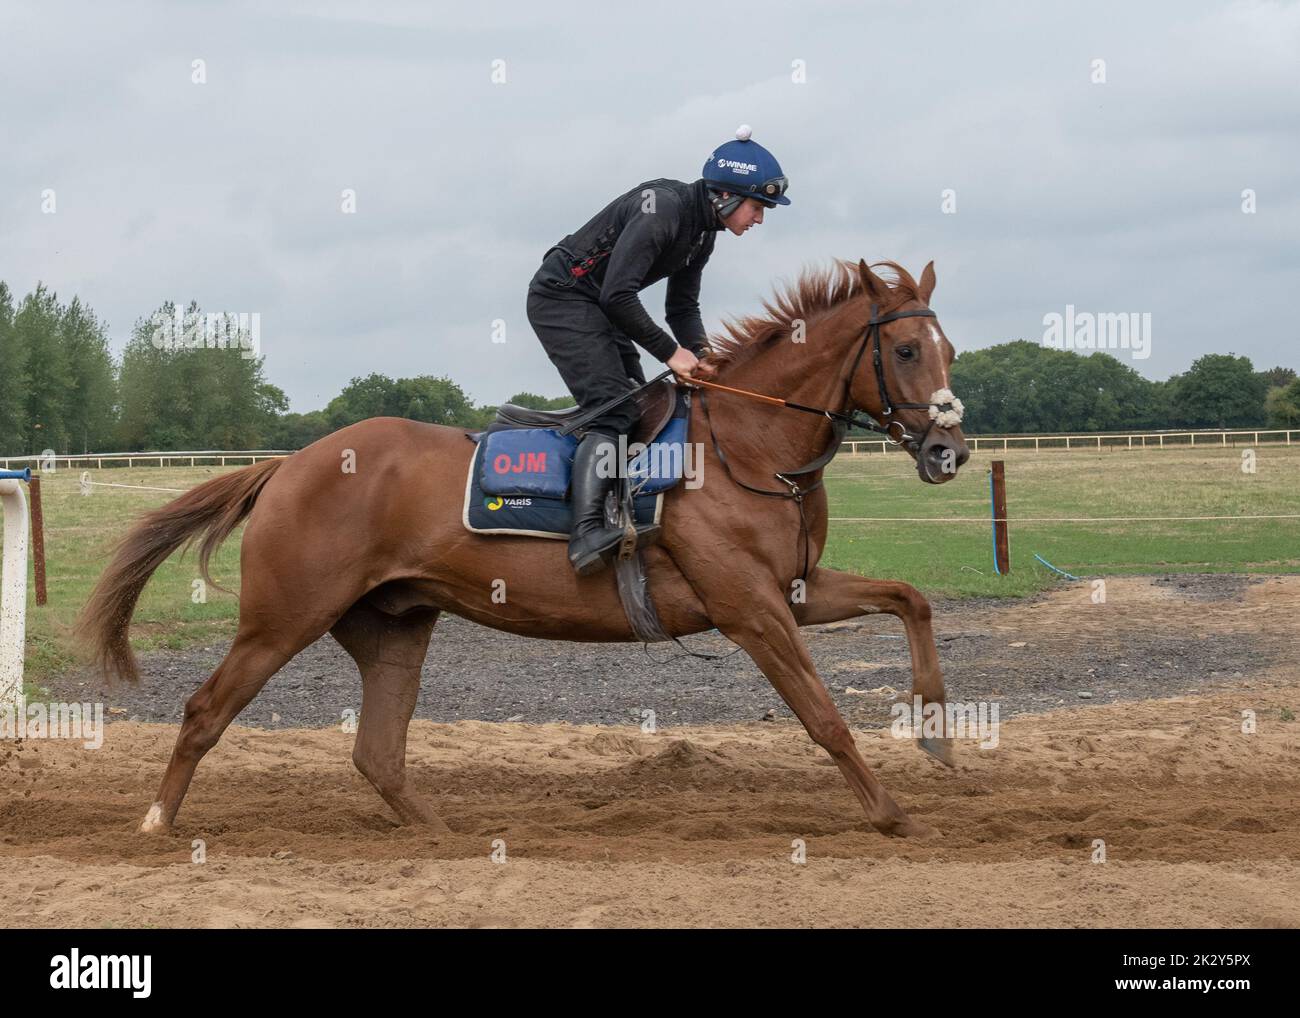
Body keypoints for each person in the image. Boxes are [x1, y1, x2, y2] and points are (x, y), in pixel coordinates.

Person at [526, 125, 790, 575]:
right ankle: (586, 533)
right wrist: (672, 354)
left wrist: (702, 354)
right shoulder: (662, 210)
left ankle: (621, 510)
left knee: (642, 405)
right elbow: (618, 296)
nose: (760, 219)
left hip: (600, 306)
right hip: (563, 299)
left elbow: (682, 306)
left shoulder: (703, 234)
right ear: (725, 195)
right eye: (757, 206)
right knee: (614, 409)